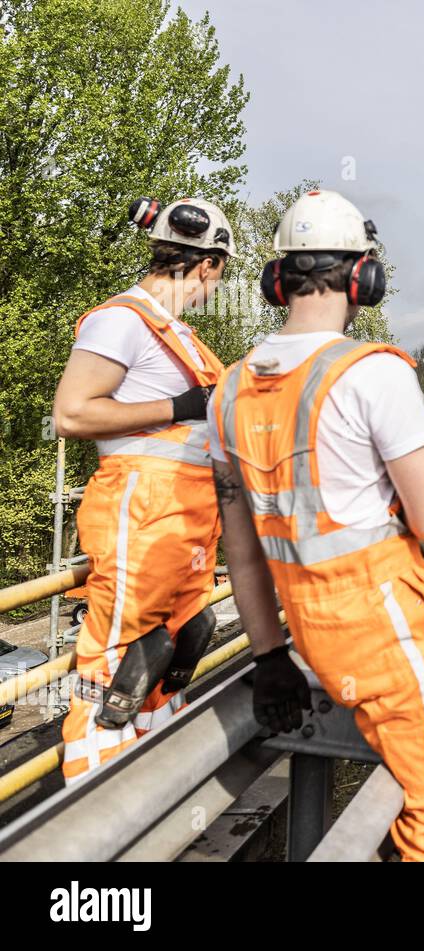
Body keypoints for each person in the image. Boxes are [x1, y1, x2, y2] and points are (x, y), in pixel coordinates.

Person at [209, 190, 424, 862]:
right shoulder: (372, 374)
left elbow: (243, 550)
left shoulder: (227, 393)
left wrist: (270, 656)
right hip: (385, 631)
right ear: (361, 279)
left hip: (310, 634)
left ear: (277, 279)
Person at [52, 197, 233, 782]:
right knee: (116, 661)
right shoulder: (122, 321)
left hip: (189, 514)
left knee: (179, 640)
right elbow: (73, 414)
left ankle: (150, 789)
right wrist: (178, 405)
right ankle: (87, 815)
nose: (215, 287)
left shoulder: (178, 334)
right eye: (219, 275)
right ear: (207, 266)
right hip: (142, 506)